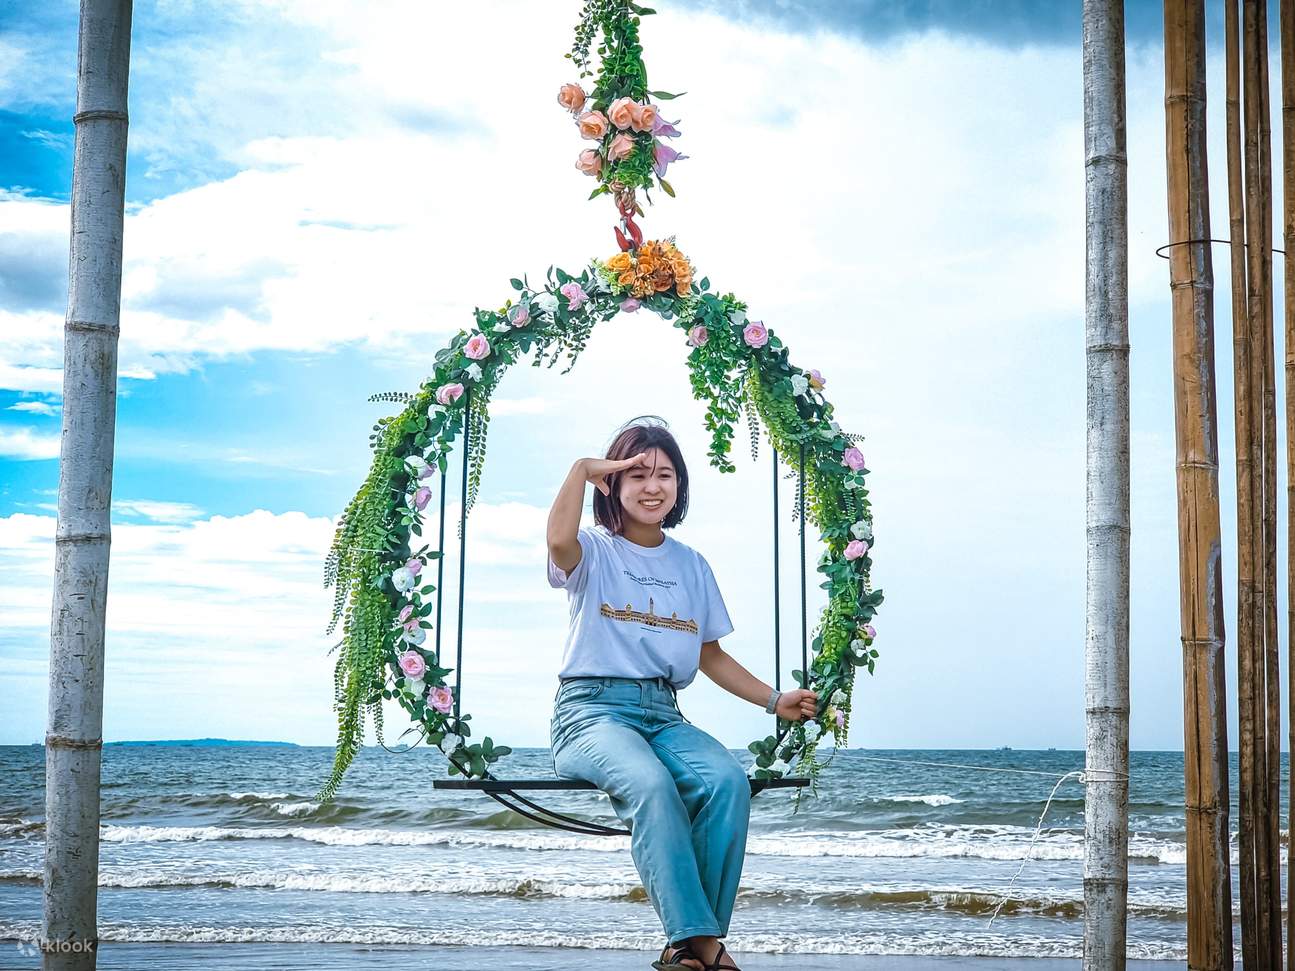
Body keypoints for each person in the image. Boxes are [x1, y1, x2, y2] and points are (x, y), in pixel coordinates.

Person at [546, 415, 818, 971]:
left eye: (665, 475)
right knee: (649, 784)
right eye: (636, 474)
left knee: (726, 782)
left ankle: (685, 949)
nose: (652, 486)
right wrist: (579, 469)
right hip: (590, 711)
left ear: (680, 487)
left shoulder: (692, 565)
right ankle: (707, 949)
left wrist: (774, 700)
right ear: (612, 487)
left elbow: (709, 655)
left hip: (664, 714)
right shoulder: (594, 551)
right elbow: (557, 539)